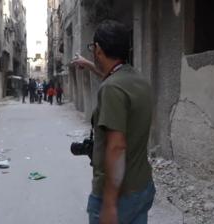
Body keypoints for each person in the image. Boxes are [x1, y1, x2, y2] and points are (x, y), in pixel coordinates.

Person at [71, 20, 155, 224]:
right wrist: (89, 65)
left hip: (119, 197)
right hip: (142, 187)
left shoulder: (111, 90)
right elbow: (113, 81)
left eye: (93, 48)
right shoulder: (136, 79)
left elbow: (116, 147)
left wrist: (109, 204)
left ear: (98, 49)